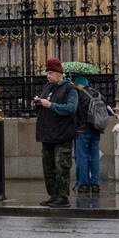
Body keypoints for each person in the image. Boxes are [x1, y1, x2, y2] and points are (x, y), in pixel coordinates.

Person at [33, 58, 79, 208]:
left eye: (51, 73)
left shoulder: (70, 89)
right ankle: (53, 195)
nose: (48, 75)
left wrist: (51, 105)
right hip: (47, 133)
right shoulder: (47, 87)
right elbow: (44, 105)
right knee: (48, 167)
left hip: (62, 134)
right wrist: (38, 103)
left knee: (61, 166)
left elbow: (71, 108)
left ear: (59, 73)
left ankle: (62, 197)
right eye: (47, 72)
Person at [72, 75, 104, 194]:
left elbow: (75, 112)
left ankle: (84, 184)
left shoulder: (79, 95)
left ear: (78, 85)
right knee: (94, 157)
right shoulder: (98, 93)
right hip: (96, 129)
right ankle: (95, 184)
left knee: (83, 157)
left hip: (82, 130)